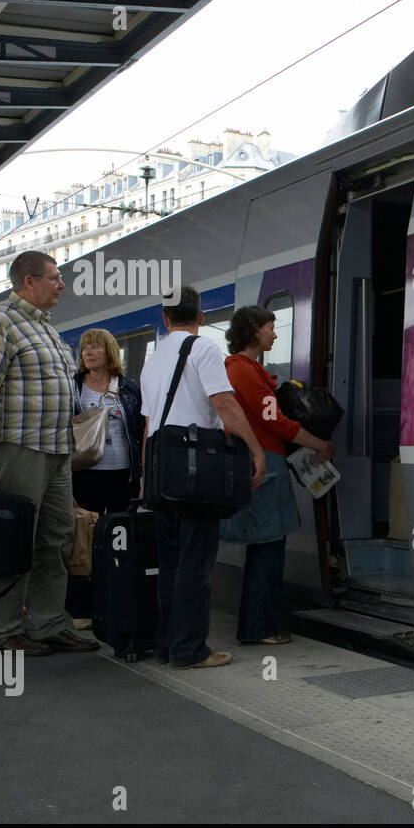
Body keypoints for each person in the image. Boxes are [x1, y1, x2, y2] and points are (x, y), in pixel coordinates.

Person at [0, 251, 98, 656]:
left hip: (57, 450)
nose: (62, 284)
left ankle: (47, 623)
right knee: (12, 538)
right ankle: (1, 631)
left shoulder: (46, 328)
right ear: (29, 281)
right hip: (19, 446)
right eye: (55, 277)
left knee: (56, 537)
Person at [140, 285, 266, 669]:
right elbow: (223, 403)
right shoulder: (203, 348)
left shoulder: (153, 359)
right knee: (195, 563)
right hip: (195, 472)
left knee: (170, 564)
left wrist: (146, 477)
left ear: (165, 319)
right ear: (200, 316)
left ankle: (167, 645)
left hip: (161, 470)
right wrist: (255, 449)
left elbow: (148, 423)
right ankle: (191, 649)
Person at [221, 306, 333, 645]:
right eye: (271, 327)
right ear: (255, 330)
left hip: (268, 462)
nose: (274, 334)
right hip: (263, 465)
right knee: (267, 547)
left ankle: (260, 624)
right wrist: (319, 444)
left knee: (267, 546)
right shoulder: (242, 370)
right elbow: (275, 421)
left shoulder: (249, 369)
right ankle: (257, 627)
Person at [72, 328, 143, 514]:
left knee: (120, 525)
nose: (88, 352)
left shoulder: (129, 389)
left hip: (123, 473)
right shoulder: (73, 387)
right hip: (85, 472)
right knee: (88, 525)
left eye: (95, 346)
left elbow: (140, 430)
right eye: (84, 348)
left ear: (110, 351)